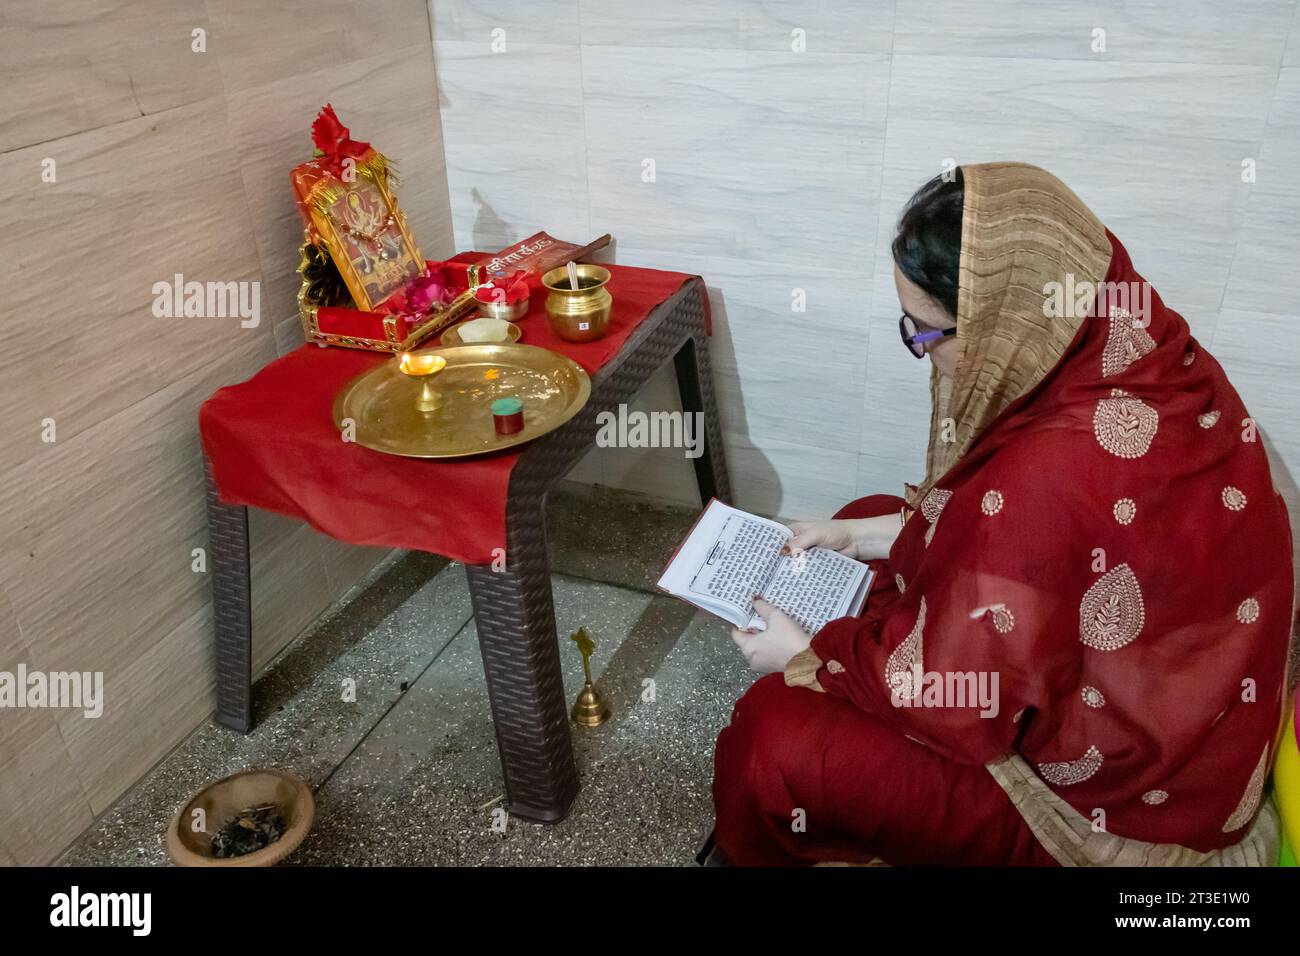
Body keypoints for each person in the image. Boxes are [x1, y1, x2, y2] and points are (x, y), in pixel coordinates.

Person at [712, 162, 1293, 866]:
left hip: (1121, 810)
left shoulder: (1046, 479)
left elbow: (963, 702)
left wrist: (806, 656)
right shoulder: (1134, 335)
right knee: (866, 524)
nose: (925, 355)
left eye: (927, 334)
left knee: (771, 737)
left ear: (1009, 319)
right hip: (1181, 706)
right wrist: (855, 534)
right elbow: (1058, 542)